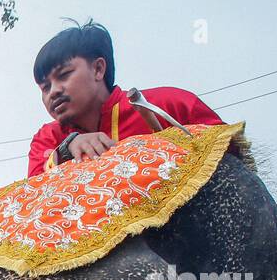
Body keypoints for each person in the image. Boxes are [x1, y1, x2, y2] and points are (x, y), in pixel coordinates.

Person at [28, 20, 223, 177]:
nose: (52, 91)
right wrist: (66, 149)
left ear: (98, 69)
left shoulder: (167, 104)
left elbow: (231, 163)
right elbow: (31, 196)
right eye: (45, 87)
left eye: (63, 75)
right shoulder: (48, 139)